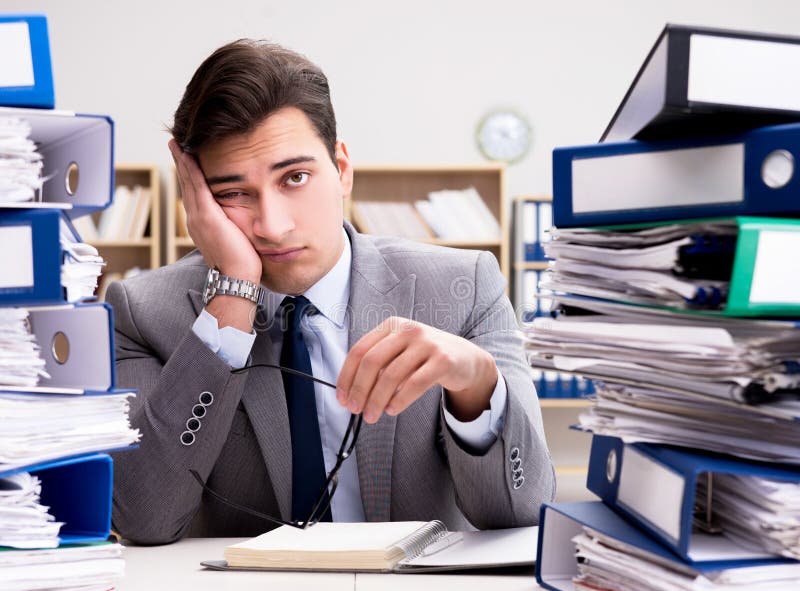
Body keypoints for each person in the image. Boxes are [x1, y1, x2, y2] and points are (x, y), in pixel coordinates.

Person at [108, 39, 554, 545]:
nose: (273, 226)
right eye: (233, 194)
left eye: (295, 177)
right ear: (197, 200)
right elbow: (143, 519)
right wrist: (232, 293)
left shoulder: (464, 288)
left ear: (341, 169)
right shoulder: (142, 314)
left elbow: (523, 513)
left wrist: (476, 386)